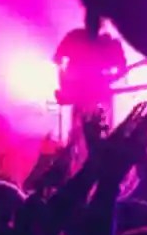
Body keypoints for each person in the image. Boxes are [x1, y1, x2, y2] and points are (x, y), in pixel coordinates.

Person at [53, 10, 127, 147]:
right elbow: (122, 70)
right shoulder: (76, 37)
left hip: (90, 94)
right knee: (87, 134)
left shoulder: (78, 38)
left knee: (90, 134)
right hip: (90, 94)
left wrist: (65, 84)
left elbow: (58, 61)